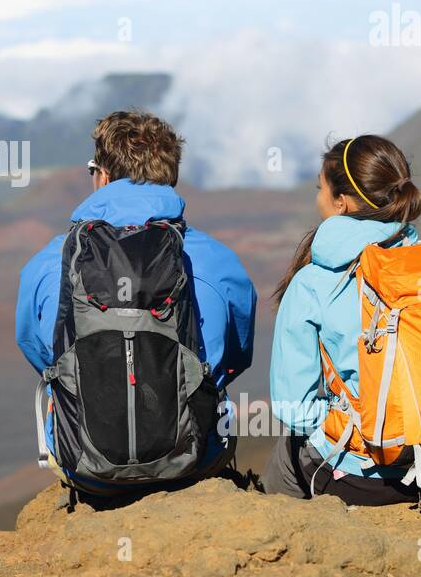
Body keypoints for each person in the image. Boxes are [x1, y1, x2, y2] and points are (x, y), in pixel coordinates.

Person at [15, 111, 257, 492]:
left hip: (84, 465)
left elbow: (39, 352)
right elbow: (237, 357)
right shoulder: (219, 261)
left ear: (104, 175)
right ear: (170, 178)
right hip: (194, 464)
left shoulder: (51, 261)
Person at [263, 134, 421, 504]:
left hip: (365, 478)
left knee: (286, 453)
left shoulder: (313, 283)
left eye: (319, 188)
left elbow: (294, 408)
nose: (317, 197)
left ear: (339, 202)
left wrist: (354, 418)